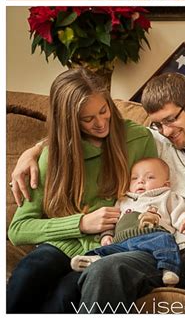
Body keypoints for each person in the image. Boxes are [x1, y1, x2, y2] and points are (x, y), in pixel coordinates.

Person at [10, 72, 185, 313]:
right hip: (150, 248)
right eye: (158, 124)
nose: (166, 131)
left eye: (172, 119)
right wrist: (32, 152)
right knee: (101, 271)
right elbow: (68, 136)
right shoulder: (156, 141)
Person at [7, 68, 157, 313]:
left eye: (103, 111)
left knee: (64, 296)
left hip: (108, 249)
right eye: (87, 119)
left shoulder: (140, 139)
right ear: (68, 121)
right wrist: (81, 223)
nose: (100, 123)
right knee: (30, 271)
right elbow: (18, 229)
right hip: (61, 245)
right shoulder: (51, 155)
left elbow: (154, 195)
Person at [71, 157, 185, 286]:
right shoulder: (123, 200)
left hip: (153, 236)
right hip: (123, 240)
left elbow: (181, 214)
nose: (141, 181)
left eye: (150, 177)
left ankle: (169, 269)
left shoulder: (167, 196)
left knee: (167, 242)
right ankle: (92, 259)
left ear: (166, 184)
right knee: (108, 249)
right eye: (135, 178)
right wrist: (107, 235)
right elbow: (111, 220)